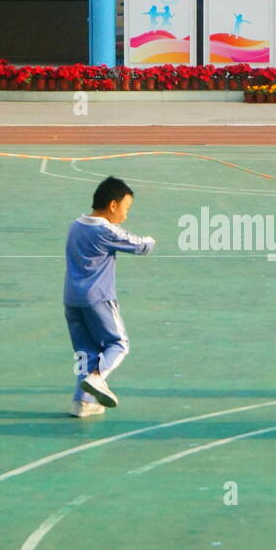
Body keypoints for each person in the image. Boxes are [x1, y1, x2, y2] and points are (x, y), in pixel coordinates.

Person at [63, 176, 155, 417]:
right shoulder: (104, 230)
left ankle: (81, 402)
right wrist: (151, 240)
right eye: (126, 208)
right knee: (119, 343)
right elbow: (140, 245)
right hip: (98, 297)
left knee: (85, 351)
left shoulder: (75, 225)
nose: (125, 215)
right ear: (113, 205)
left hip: (72, 299)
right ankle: (97, 378)